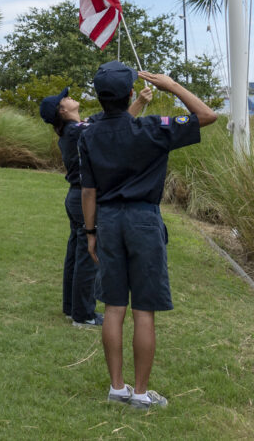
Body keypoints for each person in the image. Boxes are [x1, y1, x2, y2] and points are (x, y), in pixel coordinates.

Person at [79, 61, 216, 409]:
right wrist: (171, 86)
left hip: (107, 221)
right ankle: (140, 393)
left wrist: (91, 232)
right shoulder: (153, 129)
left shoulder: (89, 134)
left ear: (99, 96)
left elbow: (88, 192)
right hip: (142, 220)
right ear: (129, 95)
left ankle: (116, 387)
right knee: (143, 310)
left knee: (113, 307)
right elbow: (207, 115)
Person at [40, 84, 151, 328]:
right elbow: (114, 130)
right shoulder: (77, 131)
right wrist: (140, 102)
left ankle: (72, 308)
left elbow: (109, 120)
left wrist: (126, 104)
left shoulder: (76, 129)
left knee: (75, 254)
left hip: (75, 198)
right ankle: (83, 314)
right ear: (62, 111)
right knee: (86, 258)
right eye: (64, 98)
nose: (69, 97)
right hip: (83, 199)